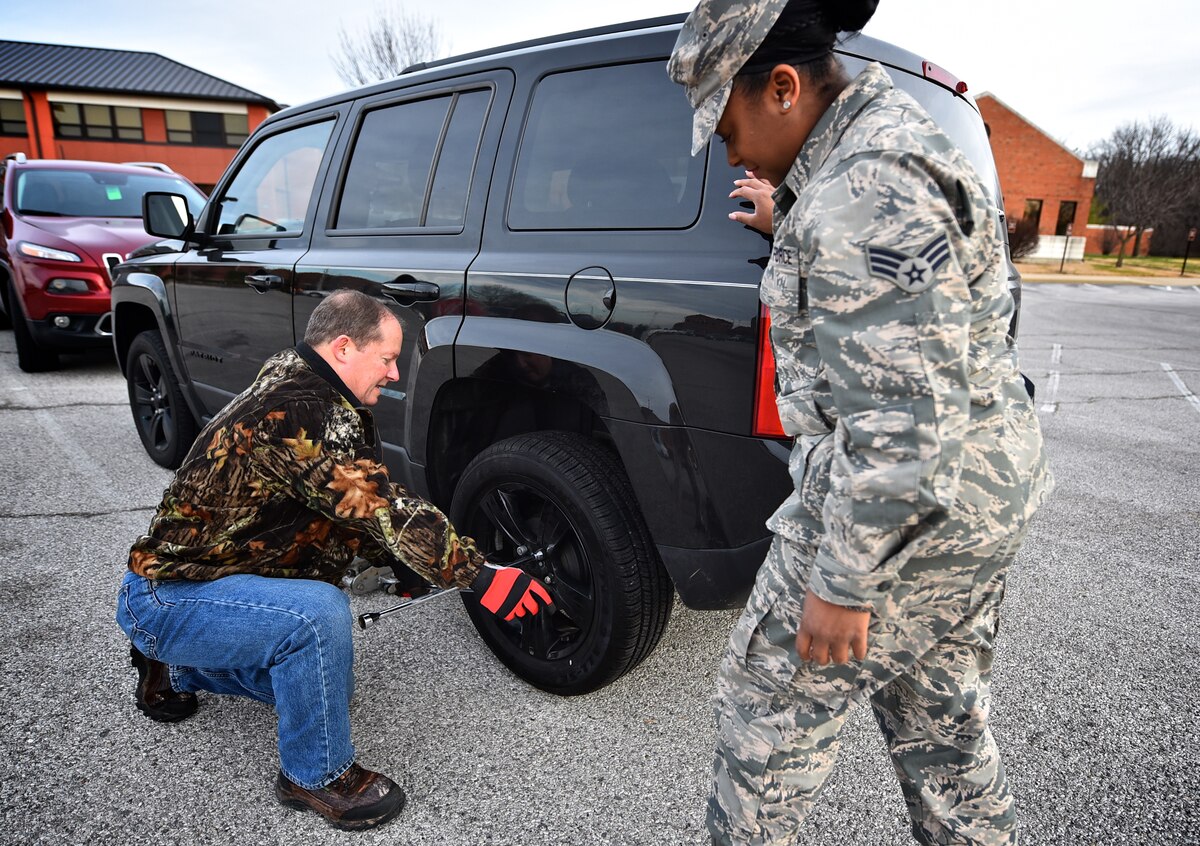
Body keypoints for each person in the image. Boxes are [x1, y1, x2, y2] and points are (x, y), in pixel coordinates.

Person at [668, 2, 1054, 844]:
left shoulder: (864, 190)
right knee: (942, 724)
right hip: (975, 500)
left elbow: (904, 422)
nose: (727, 152)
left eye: (727, 125)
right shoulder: (892, 144)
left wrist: (843, 586)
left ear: (781, 87)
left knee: (760, 743)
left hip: (898, 510)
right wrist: (796, 221)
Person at [115, 289, 553, 832]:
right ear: (344, 347)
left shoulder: (304, 375)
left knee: (325, 689)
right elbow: (375, 504)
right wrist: (476, 572)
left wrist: (400, 565)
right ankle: (315, 776)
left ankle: (175, 668)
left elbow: (333, 501)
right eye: (388, 358)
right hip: (169, 594)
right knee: (317, 617)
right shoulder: (295, 413)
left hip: (220, 577)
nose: (394, 374)